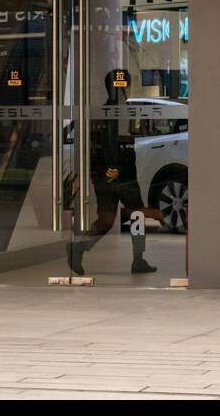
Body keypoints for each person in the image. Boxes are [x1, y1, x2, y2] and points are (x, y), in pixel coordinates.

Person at [67, 67, 157, 276]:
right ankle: (138, 259)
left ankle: (79, 248)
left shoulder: (105, 111)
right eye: (124, 84)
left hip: (106, 174)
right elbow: (110, 141)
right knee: (137, 215)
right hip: (121, 174)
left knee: (106, 220)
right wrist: (114, 167)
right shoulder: (120, 111)